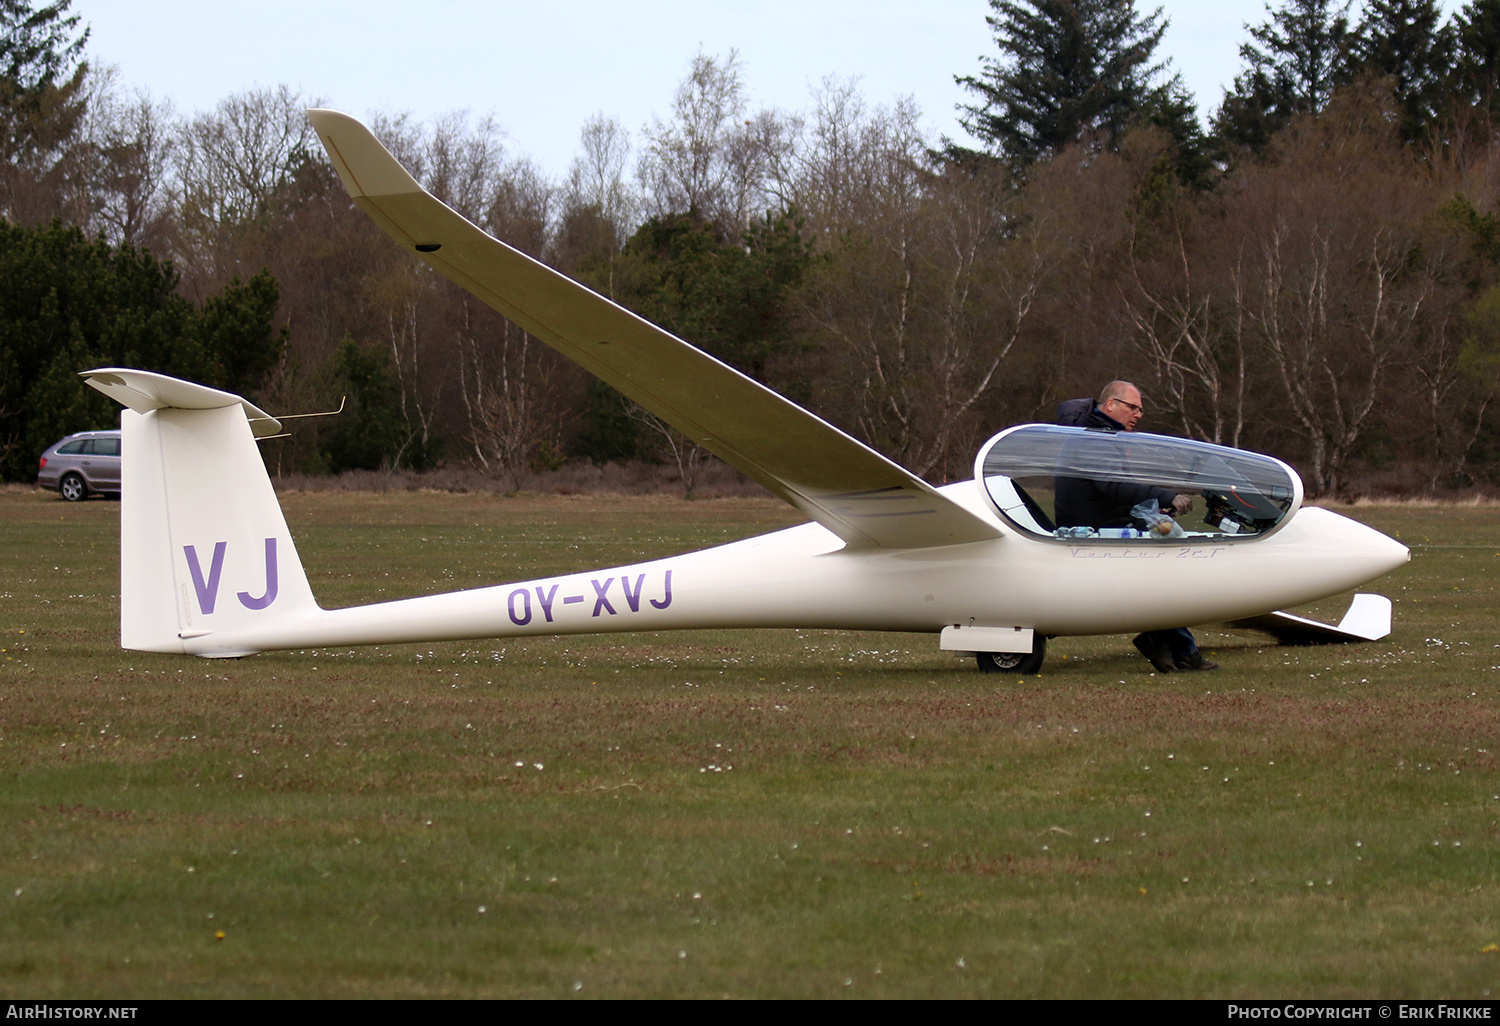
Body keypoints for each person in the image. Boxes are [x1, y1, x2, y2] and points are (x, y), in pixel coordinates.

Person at [1054, 381, 1218, 673]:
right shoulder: (1092, 441)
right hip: (1093, 538)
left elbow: (1111, 493)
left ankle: (1173, 646)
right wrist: (1168, 496)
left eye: (1141, 409)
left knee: (1162, 572)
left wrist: (1153, 513)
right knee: (1163, 575)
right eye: (1133, 407)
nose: (1139, 414)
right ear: (1110, 405)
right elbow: (1115, 486)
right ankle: (1180, 650)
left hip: (1105, 528)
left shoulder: (1101, 437)